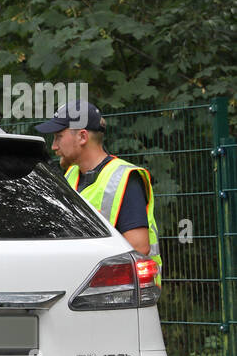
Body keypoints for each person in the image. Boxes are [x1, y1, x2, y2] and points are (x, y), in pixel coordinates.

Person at [36, 101, 162, 283]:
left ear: (82, 137)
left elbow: (139, 247)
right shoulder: (71, 175)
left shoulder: (124, 178)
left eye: (58, 136)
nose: (54, 146)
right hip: (82, 287)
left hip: (119, 293)